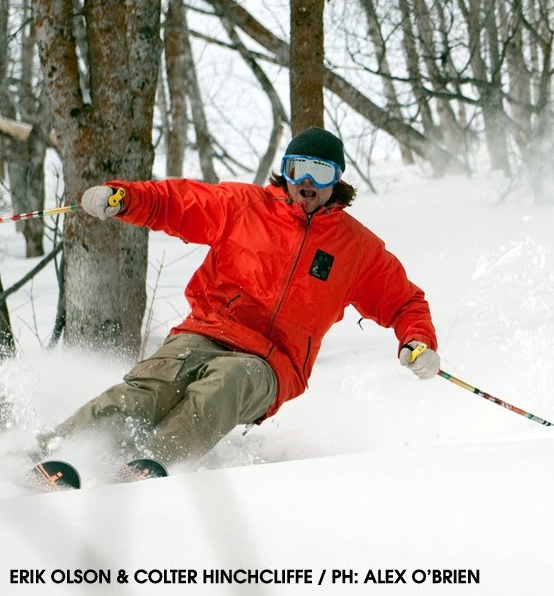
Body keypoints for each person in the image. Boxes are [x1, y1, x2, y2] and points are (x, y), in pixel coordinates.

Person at [39, 127, 441, 465]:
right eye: (297, 169)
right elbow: (177, 202)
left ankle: (148, 464)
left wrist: (418, 341)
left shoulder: (356, 248)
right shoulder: (244, 206)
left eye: (320, 173)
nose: (306, 182)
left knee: (225, 384)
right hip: (203, 332)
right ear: (285, 171)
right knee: (151, 387)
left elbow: (404, 302)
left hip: (271, 362)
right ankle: (57, 451)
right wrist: (124, 198)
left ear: (336, 179)